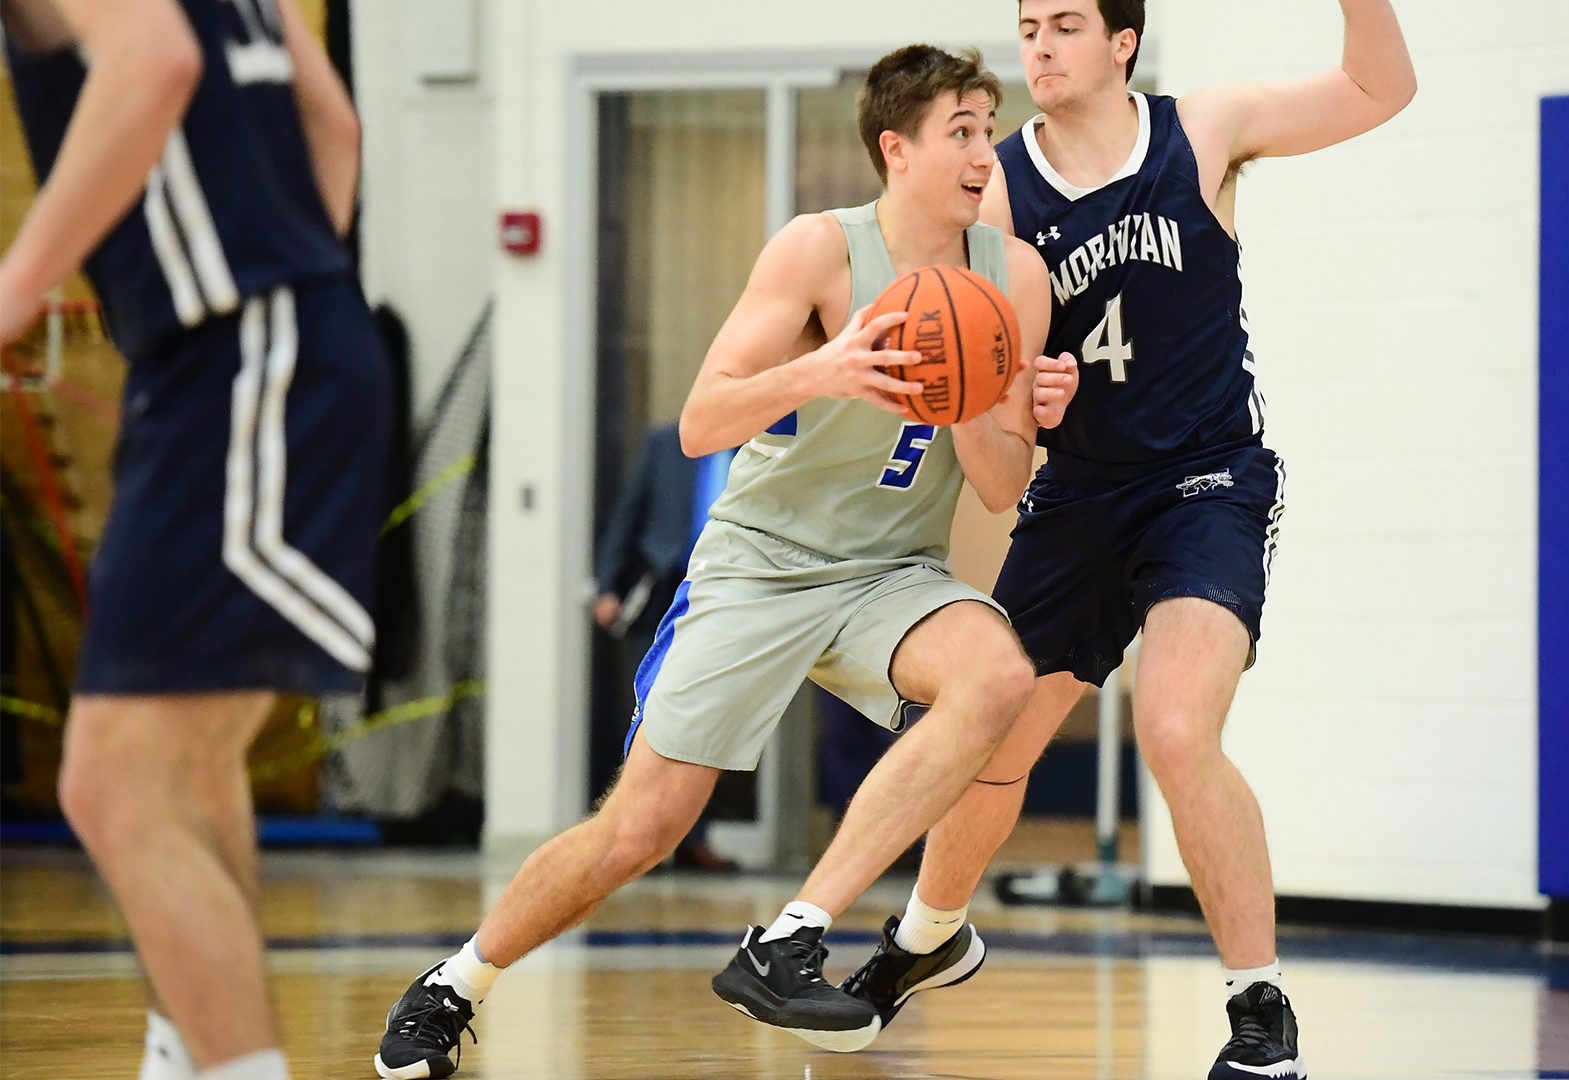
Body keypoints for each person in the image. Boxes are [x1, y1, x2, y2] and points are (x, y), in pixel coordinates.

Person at [372, 44, 1077, 1078]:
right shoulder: (819, 251)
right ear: (896, 149)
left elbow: (1003, 485)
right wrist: (828, 368)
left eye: (989, 129)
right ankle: (454, 982)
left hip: (892, 573)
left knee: (999, 677)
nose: (985, 153)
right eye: (961, 132)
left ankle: (799, 934)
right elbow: (703, 421)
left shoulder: (1011, 276)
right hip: (763, 562)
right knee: (641, 827)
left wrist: (969, 392)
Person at [833, 4, 1415, 1079]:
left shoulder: (1204, 129)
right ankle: (925, 938)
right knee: (989, 736)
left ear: (1122, 43)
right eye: (1028, 27)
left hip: (1205, 481)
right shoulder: (1001, 187)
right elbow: (983, 378)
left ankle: (1259, 1008)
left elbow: (1381, 89)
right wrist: (1019, 392)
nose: (1040, 47)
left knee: (1178, 729)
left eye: (1065, 24)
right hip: (1079, 492)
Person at [0, 3, 381, 1080]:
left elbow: (155, 59)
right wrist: (301, 295)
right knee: (191, 767)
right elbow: (335, 124)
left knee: (112, 783)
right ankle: (185, 1048)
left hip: (242, 354)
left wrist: (15, 291)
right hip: (266, 349)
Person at [590, 422, 738, 869]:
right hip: (662, 591)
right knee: (650, 710)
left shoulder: (762, 444)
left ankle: (691, 837)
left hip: (728, 594)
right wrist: (607, 584)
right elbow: (629, 513)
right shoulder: (664, 444)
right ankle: (633, 831)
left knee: (709, 716)